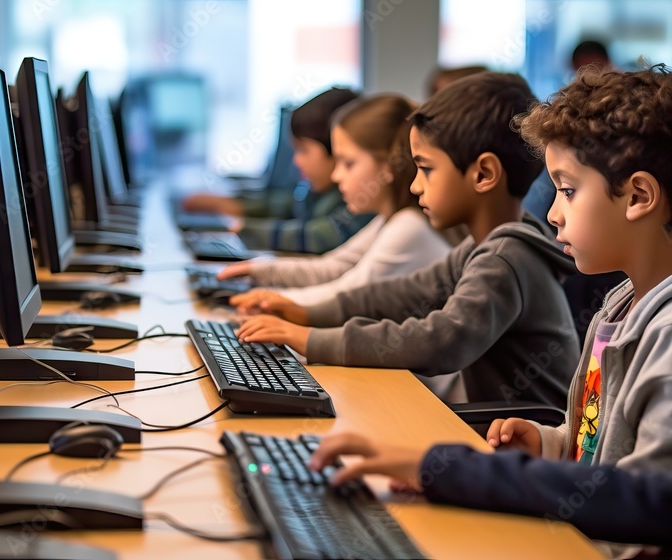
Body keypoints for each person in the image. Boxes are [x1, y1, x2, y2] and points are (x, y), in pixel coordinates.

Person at [309, 119, 672, 560]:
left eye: (568, 190)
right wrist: (550, 444)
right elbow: (599, 450)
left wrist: (454, 472)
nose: (552, 213)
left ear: (639, 196)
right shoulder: (623, 303)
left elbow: (664, 506)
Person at [235, 72, 580, 407]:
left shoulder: (507, 256)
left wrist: (309, 339)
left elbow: (439, 340)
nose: (415, 186)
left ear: (484, 174)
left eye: (427, 169)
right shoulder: (482, 246)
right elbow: (399, 296)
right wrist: (304, 312)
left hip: (517, 445)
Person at [216, 94, 452, 307]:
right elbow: (333, 268)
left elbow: (346, 295)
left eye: (348, 163)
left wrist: (266, 300)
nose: (337, 175)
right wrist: (258, 272)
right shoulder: (388, 220)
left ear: (388, 166)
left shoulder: (409, 226)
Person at [182, 87, 374, 254]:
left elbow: (316, 236)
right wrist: (224, 205)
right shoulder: (317, 192)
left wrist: (242, 229)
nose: (296, 161)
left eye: (303, 150)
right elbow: (282, 206)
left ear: (335, 148)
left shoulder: (362, 198)